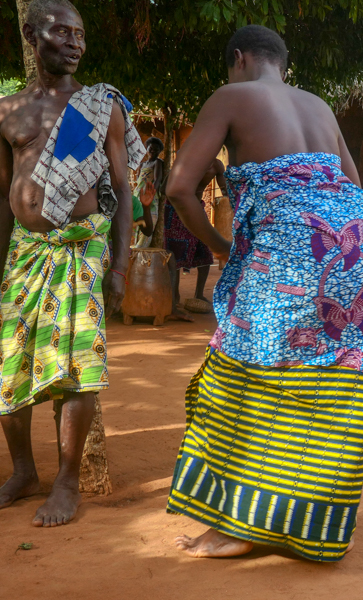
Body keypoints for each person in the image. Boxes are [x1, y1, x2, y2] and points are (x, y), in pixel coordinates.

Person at [164, 25, 363, 561]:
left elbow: (179, 187)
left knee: (242, 377)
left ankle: (240, 525)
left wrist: (222, 247)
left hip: (297, 240)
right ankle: (309, 528)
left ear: (239, 59)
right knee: (335, 384)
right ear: (284, 64)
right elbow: (352, 182)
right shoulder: (316, 103)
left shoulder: (232, 95)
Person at [0, 0, 143, 525]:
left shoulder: (101, 107)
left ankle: (66, 480)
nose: (76, 42)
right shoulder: (7, 110)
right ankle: (23, 471)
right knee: (7, 360)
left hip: (82, 248)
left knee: (79, 366)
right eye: (62, 31)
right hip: (24, 250)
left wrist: (120, 266)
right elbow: (1, 197)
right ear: (31, 35)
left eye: (80, 33)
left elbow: (125, 191)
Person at [163, 158, 223, 318]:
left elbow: (225, 189)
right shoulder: (188, 156)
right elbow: (164, 189)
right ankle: (174, 296)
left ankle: (199, 293)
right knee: (174, 254)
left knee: (204, 251)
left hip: (196, 208)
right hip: (175, 209)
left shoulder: (217, 165)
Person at [132, 137, 163, 248]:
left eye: (156, 149)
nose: (153, 151)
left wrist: (152, 193)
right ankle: (136, 251)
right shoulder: (142, 165)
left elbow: (157, 179)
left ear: (160, 151)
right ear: (147, 149)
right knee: (139, 225)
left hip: (151, 198)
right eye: (151, 149)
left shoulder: (158, 162)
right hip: (138, 197)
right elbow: (138, 180)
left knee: (149, 224)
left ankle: (141, 249)